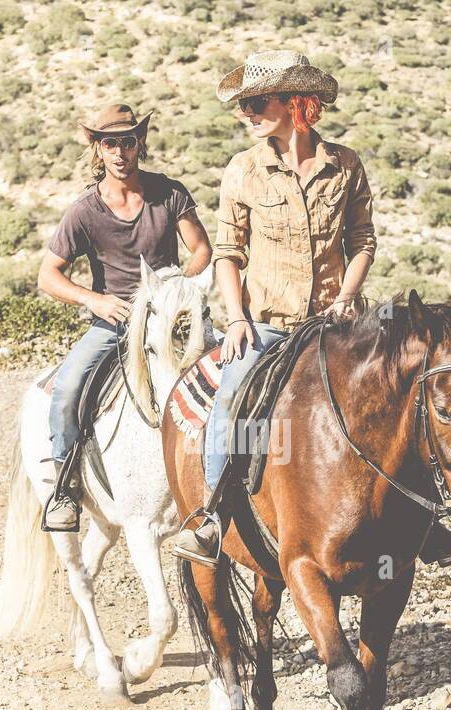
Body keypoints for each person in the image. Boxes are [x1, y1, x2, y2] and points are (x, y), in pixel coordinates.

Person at [173, 51, 376, 564]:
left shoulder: (345, 166)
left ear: (295, 103)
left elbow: (363, 243)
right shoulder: (243, 170)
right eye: (243, 105)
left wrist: (347, 300)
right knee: (230, 401)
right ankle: (210, 519)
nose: (247, 112)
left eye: (257, 101)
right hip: (265, 325)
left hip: (336, 324)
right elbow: (227, 253)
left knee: (396, 391)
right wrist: (237, 318)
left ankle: (424, 517)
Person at [38, 103, 212, 531]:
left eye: (127, 142)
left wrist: (175, 288)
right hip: (113, 322)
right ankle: (65, 488)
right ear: (97, 149)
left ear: (140, 145)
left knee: (234, 371)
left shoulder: (169, 194)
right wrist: (93, 301)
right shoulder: (84, 212)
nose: (119, 152)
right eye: (109, 143)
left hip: (173, 322)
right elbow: (48, 276)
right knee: (66, 390)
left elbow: (202, 250)